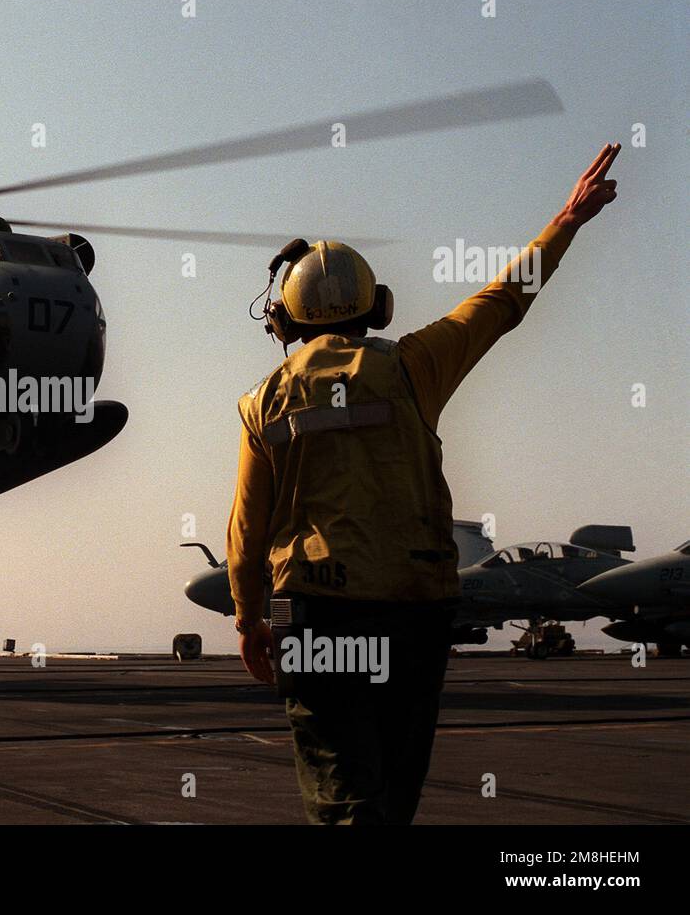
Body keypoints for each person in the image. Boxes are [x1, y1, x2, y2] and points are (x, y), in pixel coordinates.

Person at [226, 144, 620, 824]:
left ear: (282, 322)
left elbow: (246, 531)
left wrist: (248, 615)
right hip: (418, 618)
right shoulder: (414, 366)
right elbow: (503, 300)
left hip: (326, 620)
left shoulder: (265, 402)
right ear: (377, 306)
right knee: (393, 797)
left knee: (348, 799)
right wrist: (567, 219)